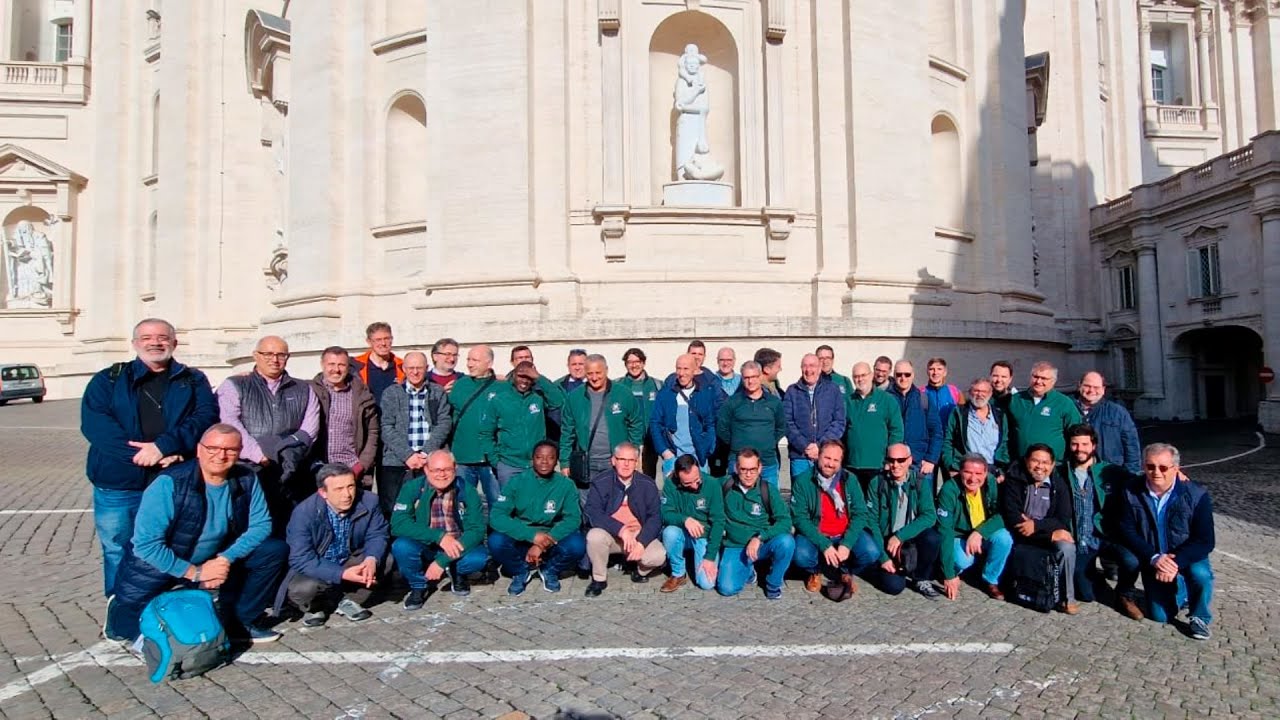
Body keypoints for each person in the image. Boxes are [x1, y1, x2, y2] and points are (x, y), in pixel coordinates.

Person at [104, 425, 287, 644]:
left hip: (212, 557)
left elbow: (261, 525)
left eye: (230, 450)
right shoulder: (170, 483)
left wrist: (224, 560)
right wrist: (196, 573)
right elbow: (146, 545)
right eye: (213, 448)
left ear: (239, 452)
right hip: (158, 565)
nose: (221, 455)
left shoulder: (247, 477)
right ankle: (119, 609)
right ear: (199, 450)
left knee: (273, 550)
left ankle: (241, 622)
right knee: (132, 631)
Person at [82, 318, 219, 597]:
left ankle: (165, 605)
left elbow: (205, 418)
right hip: (118, 483)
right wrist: (146, 455)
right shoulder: (108, 379)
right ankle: (120, 606)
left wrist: (165, 446)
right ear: (134, 343)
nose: (155, 343)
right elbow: (96, 426)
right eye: (147, 338)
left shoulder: (194, 380)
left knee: (173, 544)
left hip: (172, 481)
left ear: (174, 343)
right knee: (117, 547)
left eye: (162, 337)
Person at [216, 335, 319, 533]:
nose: (275, 359)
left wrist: (287, 453)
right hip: (248, 470)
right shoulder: (235, 384)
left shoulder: (304, 388)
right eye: (268, 354)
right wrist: (258, 454)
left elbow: (310, 428)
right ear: (256, 355)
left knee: (287, 529)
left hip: (290, 470)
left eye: (281, 354)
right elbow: (229, 422)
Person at [1114, 443, 1215, 640]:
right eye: (1150, 466)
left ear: (1176, 468)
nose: (1156, 472)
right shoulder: (1130, 491)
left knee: (1201, 574)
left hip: (1186, 555)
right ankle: (1180, 592)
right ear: (1143, 466)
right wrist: (1154, 558)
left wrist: (1174, 563)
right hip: (1154, 557)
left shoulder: (1196, 494)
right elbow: (1126, 530)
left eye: (1163, 467)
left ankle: (1200, 616)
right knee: (1160, 616)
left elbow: (1205, 540)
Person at [276, 463, 387, 627]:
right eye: (339, 489)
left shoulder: (370, 501)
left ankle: (348, 600)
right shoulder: (304, 513)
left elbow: (377, 534)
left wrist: (371, 558)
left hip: (349, 557)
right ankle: (315, 606)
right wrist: (342, 573)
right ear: (323, 493)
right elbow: (300, 558)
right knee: (303, 588)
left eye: (350, 486)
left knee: (386, 559)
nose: (347, 494)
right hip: (317, 565)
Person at [390, 450, 490, 610]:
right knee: (401, 546)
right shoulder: (412, 488)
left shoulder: (467, 490)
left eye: (447, 469)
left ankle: (457, 573)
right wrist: (439, 537)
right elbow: (398, 524)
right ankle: (418, 585)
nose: (442, 475)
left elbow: (476, 530)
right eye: (436, 470)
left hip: (457, 543)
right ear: (426, 469)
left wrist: (441, 561)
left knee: (478, 558)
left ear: (455, 468)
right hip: (425, 543)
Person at [1060, 424, 1141, 615]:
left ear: (1094, 445)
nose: (1079, 449)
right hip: (1081, 538)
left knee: (1131, 560)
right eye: (1075, 444)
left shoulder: (1111, 471)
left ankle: (1125, 594)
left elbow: (1141, 483)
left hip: (1108, 535)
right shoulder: (1061, 472)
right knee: (1086, 594)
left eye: (1084, 444)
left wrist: (1175, 475)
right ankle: (1095, 577)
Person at [487, 441, 587, 595]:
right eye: (539, 457)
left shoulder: (566, 485)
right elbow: (497, 515)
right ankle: (521, 571)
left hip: (551, 537)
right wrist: (531, 536)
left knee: (577, 544)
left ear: (556, 461)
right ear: (532, 459)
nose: (544, 462)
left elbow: (573, 519)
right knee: (496, 541)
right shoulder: (517, 482)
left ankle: (550, 570)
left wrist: (542, 544)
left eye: (550, 457)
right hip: (522, 534)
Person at [790, 441, 881, 601]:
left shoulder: (850, 480)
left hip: (844, 532)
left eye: (835, 460)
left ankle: (846, 571)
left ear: (841, 462)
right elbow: (799, 518)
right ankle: (815, 571)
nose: (830, 464)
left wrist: (847, 543)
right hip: (817, 532)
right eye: (827, 458)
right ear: (818, 456)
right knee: (800, 554)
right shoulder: (803, 481)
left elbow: (860, 513)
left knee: (872, 552)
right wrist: (824, 544)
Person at [1000, 444, 1078, 614]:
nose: (1040, 466)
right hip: (1020, 534)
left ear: (1052, 465)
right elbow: (1013, 516)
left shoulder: (1059, 485)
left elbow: (1062, 519)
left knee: (1067, 547)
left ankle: (1067, 598)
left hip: (1043, 533)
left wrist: (1036, 525)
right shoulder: (1014, 481)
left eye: (1045, 462)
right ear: (1026, 461)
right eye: (1035, 461)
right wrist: (1048, 534)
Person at [583, 443, 666, 596]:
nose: (626, 464)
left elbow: (655, 517)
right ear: (613, 461)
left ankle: (639, 571)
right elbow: (593, 512)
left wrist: (642, 542)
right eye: (622, 459)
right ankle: (599, 579)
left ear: (636, 463)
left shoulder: (647, 484)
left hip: (637, 535)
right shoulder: (601, 482)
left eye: (631, 460)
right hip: (612, 535)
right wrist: (621, 530)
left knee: (658, 556)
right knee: (594, 536)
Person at [559, 355, 645, 501]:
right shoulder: (575, 397)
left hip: (615, 461)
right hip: (586, 462)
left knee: (616, 502)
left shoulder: (623, 393)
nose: (594, 378)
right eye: (590, 373)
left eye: (598, 373)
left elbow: (636, 424)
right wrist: (564, 462)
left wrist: (634, 453)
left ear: (606, 370)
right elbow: (567, 432)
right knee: (587, 504)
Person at [378, 351, 453, 517]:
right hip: (397, 461)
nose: (415, 372)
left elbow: (444, 423)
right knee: (394, 509)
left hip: (429, 460)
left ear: (427, 368)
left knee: (429, 509)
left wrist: (426, 453)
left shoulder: (437, 392)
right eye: (411, 368)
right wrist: (408, 455)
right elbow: (386, 426)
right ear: (404, 369)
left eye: (419, 368)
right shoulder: (391, 393)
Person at [716, 448, 794, 599]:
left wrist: (760, 537)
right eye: (744, 469)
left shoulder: (767, 490)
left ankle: (773, 584)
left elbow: (785, 521)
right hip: (735, 544)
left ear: (759, 468)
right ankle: (749, 571)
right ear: (736, 468)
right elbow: (701, 483)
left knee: (786, 542)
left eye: (752, 469)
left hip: (761, 544)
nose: (748, 474)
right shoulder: (725, 484)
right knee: (726, 589)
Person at [868, 443, 942, 598]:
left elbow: (929, 515)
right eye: (891, 460)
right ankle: (878, 567)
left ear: (910, 460)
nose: (895, 465)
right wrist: (883, 557)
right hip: (887, 542)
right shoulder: (877, 482)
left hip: (910, 538)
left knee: (933, 538)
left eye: (901, 460)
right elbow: (871, 522)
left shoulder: (920, 482)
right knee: (894, 587)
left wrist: (900, 536)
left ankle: (920, 577)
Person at [936, 454, 1011, 601]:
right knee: (963, 561)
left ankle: (990, 579)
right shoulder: (949, 489)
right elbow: (945, 531)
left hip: (983, 531)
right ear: (960, 471)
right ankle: (952, 570)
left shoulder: (991, 483)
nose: (973, 478)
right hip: (959, 534)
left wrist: (979, 532)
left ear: (985, 473)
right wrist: (948, 575)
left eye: (978, 473)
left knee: (1004, 539)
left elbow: (1002, 514)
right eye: (968, 472)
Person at [480, 360, 565, 488]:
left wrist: (538, 377)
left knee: (536, 500)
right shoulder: (499, 399)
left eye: (528, 377)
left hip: (535, 464)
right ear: (514, 375)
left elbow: (558, 401)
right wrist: (496, 461)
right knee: (510, 500)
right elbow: (486, 433)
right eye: (521, 376)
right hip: (509, 465)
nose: (524, 381)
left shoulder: (538, 397)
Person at [308, 347, 379, 486]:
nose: (336, 370)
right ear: (322, 364)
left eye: (341, 365)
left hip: (352, 468)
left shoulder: (362, 394)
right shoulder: (309, 390)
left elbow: (373, 431)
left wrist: (362, 465)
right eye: (331, 364)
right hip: (317, 468)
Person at [659, 455, 725, 592]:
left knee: (707, 583)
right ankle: (678, 573)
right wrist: (685, 520)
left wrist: (710, 557)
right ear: (677, 477)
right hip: (682, 531)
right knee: (669, 533)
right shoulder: (670, 484)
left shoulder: (712, 484)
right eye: (688, 483)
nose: (695, 486)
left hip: (703, 534)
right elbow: (665, 514)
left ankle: (711, 557)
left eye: (697, 480)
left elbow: (719, 522)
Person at [715, 361, 786, 486]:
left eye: (754, 377)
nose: (750, 381)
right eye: (746, 377)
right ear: (742, 379)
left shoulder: (774, 402)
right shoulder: (732, 402)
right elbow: (722, 428)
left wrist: (768, 442)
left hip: (767, 462)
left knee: (770, 496)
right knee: (736, 496)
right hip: (738, 462)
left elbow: (781, 427)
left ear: (760, 377)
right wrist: (737, 442)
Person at [650, 354, 717, 479]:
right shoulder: (665, 394)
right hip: (673, 457)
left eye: (686, 369)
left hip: (699, 457)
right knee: (673, 490)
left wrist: (707, 449)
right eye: (678, 368)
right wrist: (664, 451)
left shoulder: (705, 393)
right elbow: (655, 423)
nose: (681, 373)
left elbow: (710, 424)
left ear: (694, 370)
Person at [449, 345, 501, 505]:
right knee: (464, 503)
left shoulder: (502, 387)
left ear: (489, 363)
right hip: (463, 457)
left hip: (490, 458)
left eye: (475, 360)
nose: (470, 364)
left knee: (497, 504)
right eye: (468, 359)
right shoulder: (459, 385)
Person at [843, 362, 904, 492]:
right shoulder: (848, 401)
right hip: (852, 465)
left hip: (878, 466)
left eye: (863, 375)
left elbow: (896, 431)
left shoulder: (887, 400)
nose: (860, 379)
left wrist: (891, 460)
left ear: (871, 375)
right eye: (856, 376)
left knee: (875, 502)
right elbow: (842, 431)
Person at [783, 354, 847, 479]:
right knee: (800, 489)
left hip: (826, 455)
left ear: (819, 368)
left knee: (825, 490)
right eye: (805, 366)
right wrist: (805, 446)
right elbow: (787, 422)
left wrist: (820, 446)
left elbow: (839, 422)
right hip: (800, 455)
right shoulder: (792, 391)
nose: (808, 370)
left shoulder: (832, 390)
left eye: (812, 366)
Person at [1005, 361, 1082, 462]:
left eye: (1044, 378)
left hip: (1053, 465)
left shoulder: (1064, 403)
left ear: (1053, 381)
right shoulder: (1016, 400)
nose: (1038, 381)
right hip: (1020, 463)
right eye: (1035, 377)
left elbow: (1077, 434)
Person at [941, 378, 1008, 480]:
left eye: (984, 391)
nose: (979, 394)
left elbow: (1004, 444)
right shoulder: (959, 413)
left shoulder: (1000, 415)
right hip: (966, 471)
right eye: (976, 391)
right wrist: (951, 466)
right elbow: (948, 441)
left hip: (992, 472)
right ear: (970, 392)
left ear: (990, 393)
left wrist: (1002, 470)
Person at [1076, 371, 1142, 474]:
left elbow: (1131, 446)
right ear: (1079, 386)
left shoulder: (1118, 412)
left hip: (1110, 472)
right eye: (1087, 386)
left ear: (1103, 390)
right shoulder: (1068, 409)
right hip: (1077, 470)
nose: (1091, 390)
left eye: (1096, 387)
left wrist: (1131, 475)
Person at [888, 360, 942, 477]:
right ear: (894, 375)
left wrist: (931, 459)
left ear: (913, 375)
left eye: (907, 374)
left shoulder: (924, 399)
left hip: (919, 463)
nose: (903, 378)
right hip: (893, 463)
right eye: (899, 374)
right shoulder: (884, 399)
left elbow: (936, 431)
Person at [617, 347, 661, 478]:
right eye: (630, 362)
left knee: (648, 477)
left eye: (637, 361)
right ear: (625, 364)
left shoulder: (656, 385)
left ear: (643, 363)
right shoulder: (618, 386)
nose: (634, 365)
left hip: (650, 441)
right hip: (626, 440)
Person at [352, 322, 404, 407]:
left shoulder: (402, 366)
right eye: (378, 340)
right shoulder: (356, 366)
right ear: (369, 342)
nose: (383, 343)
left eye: (386, 338)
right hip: (368, 413)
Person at [924, 357, 965, 427]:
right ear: (927, 372)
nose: (935, 372)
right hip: (928, 433)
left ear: (945, 372)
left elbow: (962, 417)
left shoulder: (955, 392)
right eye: (931, 369)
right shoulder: (920, 392)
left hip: (949, 433)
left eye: (939, 369)